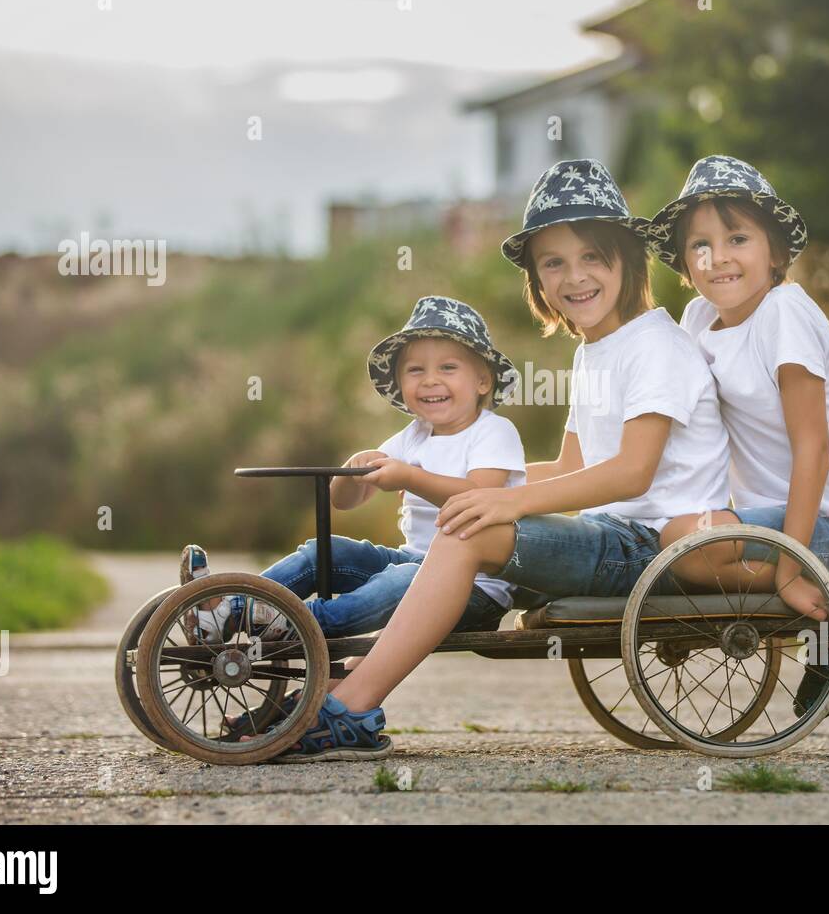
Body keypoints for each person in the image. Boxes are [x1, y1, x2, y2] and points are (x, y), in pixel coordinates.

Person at [265, 157, 732, 761]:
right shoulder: (598, 350)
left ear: (628, 259)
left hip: (651, 545)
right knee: (467, 514)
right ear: (537, 278)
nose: (575, 277)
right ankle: (315, 666)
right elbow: (571, 467)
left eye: (593, 257)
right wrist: (481, 484)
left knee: (468, 528)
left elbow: (630, 473)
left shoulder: (656, 348)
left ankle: (350, 708)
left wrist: (499, 503)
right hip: (610, 533)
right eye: (554, 263)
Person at [648, 155, 829, 717]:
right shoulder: (695, 319)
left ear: (777, 252)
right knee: (678, 540)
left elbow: (815, 447)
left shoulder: (786, 314)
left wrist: (789, 566)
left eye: (738, 237)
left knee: (685, 550)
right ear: (685, 264)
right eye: (700, 245)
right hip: (786, 515)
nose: (718, 257)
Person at [177, 296, 525, 651]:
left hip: (474, 587)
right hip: (415, 563)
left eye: (448, 368)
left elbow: (481, 495)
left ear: (483, 381)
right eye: (416, 370)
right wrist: (352, 471)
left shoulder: (493, 432)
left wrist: (408, 478)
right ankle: (229, 608)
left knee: (402, 580)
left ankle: (298, 620)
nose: (430, 381)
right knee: (324, 553)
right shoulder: (414, 434)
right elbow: (343, 502)